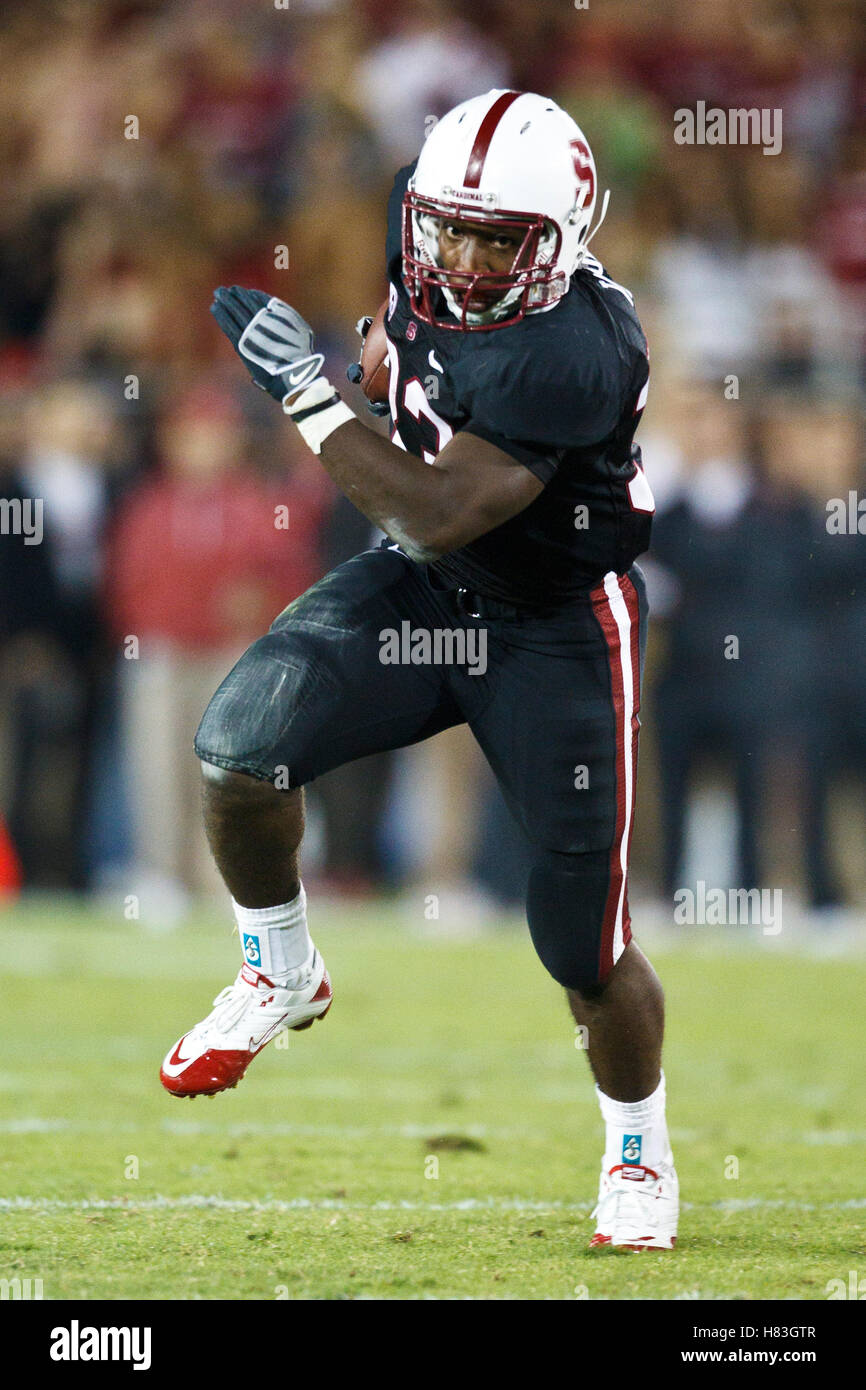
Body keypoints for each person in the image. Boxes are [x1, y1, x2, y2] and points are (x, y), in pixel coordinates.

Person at [159, 89, 677, 1251]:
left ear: (562, 237)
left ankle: (636, 1142)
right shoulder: (419, 217)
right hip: (422, 590)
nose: (465, 256)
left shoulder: (575, 349)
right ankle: (278, 970)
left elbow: (440, 510)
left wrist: (309, 394)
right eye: (450, 229)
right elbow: (422, 485)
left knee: (580, 948)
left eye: (501, 240)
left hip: (551, 620)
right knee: (239, 745)